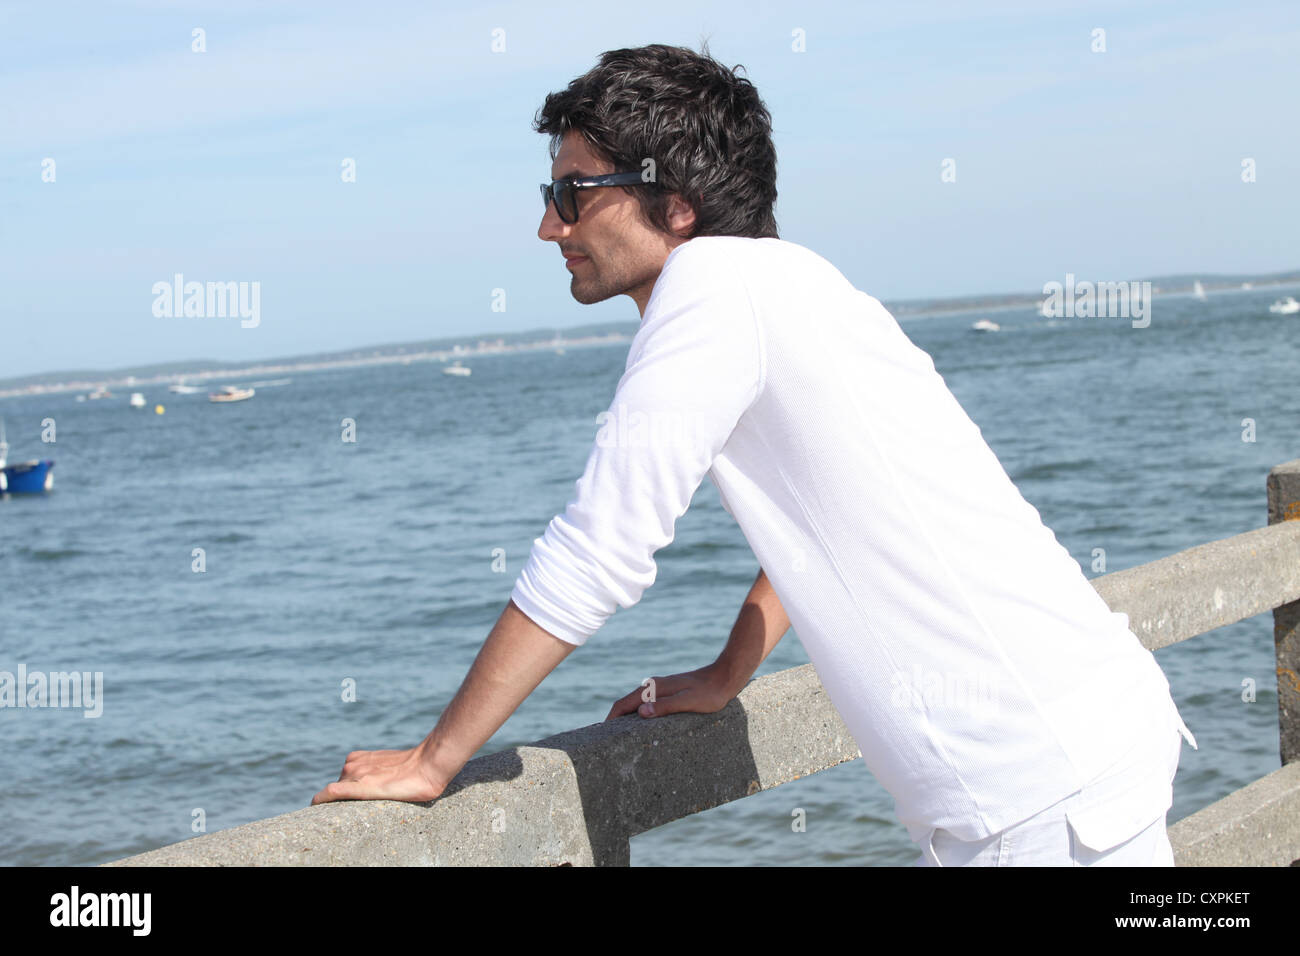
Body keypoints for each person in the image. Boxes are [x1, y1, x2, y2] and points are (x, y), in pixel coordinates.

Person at [312, 43, 1197, 867]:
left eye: (574, 193)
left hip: (1035, 798)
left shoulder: (709, 291)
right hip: (1084, 743)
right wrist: (733, 668)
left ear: (677, 204)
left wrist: (435, 760)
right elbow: (827, 517)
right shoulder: (795, 281)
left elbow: (598, 552)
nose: (550, 226)